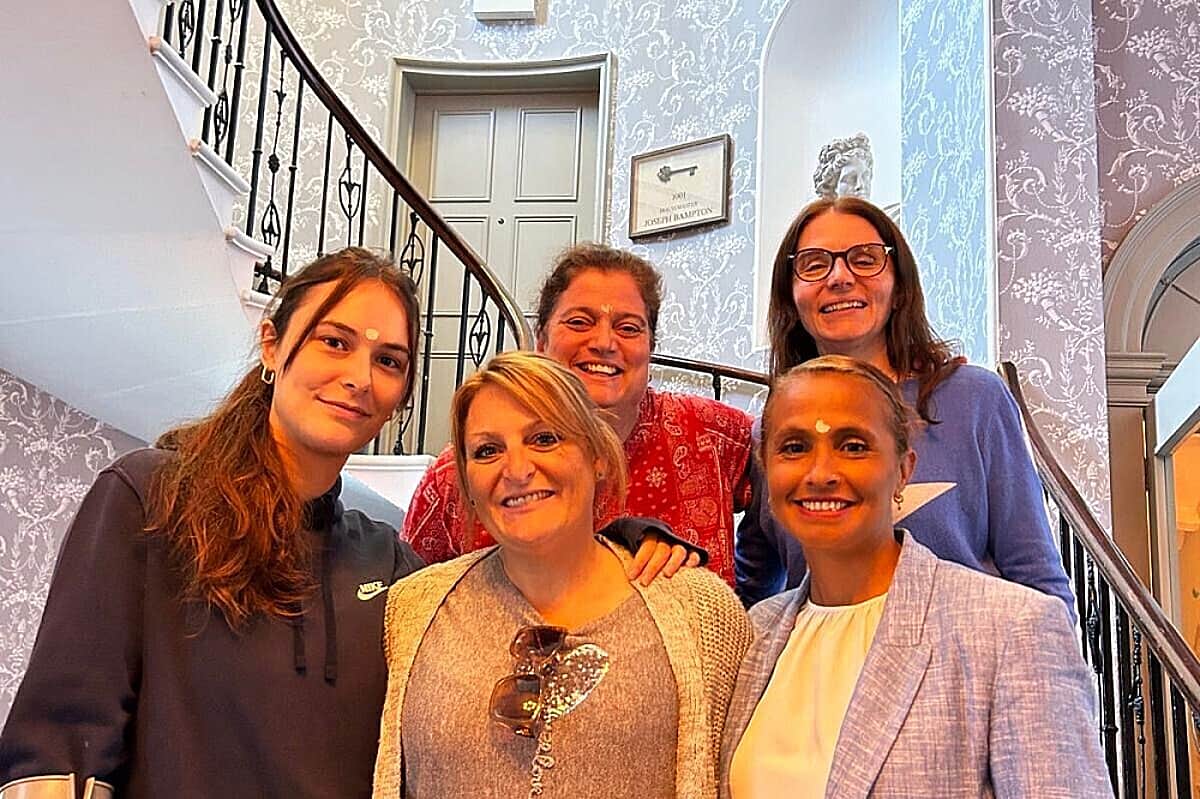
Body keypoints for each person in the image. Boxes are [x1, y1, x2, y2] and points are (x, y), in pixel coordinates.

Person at [0, 248, 426, 798]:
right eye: (335, 342)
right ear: (272, 345)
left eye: (389, 360)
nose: (360, 377)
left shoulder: (391, 566)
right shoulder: (149, 499)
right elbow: (61, 750)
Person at [720, 357, 1111, 798]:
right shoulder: (755, 634)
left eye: (853, 446)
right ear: (766, 471)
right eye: (793, 447)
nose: (821, 473)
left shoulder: (1012, 629)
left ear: (903, 470)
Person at [373, 351, 753, 798]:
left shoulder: (701, 613)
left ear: (598, 456)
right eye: (487, 450)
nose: (516, 470)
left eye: (544, 438)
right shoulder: (411, 609)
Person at [735, 197, 1074, 613]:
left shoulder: (975, 399)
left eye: (865, 259)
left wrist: (1050, 664)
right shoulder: (773, 429)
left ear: (899, 289)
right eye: (814, 263)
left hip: (967, 666)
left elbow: (1036, 574)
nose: (840, 277)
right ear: (791, 296)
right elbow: (755, 586)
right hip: (827, 668)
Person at [403, 243, 754, 584]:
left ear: (651, 347)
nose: (604, 342)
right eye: (579, 322)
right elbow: (411, 604)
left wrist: (761, 607)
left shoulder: (717, 436)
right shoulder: (460, 477)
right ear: (540, 341)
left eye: (629, 328)